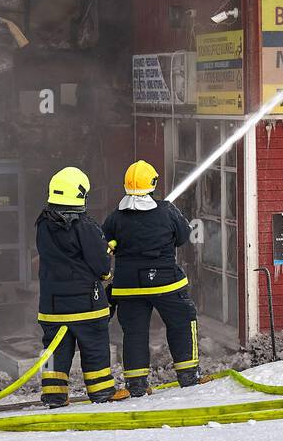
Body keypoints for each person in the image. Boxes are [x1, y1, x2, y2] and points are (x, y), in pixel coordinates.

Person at [102, 160, 199, 396]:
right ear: (153, 183)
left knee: (134, 333)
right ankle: (188, 377)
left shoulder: (115, 217)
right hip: (166, 282)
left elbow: (104, 243)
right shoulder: (167, 210)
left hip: (128, 287)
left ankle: (136, 385)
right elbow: (183, 236)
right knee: (182, 321)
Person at [35, 166, 128, 407]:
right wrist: (106, 266)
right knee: (94, 346)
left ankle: (53, 395)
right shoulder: (85, 225)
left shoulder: (43, 225)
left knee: (54, 351)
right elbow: (98, 261)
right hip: (85, 302)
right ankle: (102, 391)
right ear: (79, 195)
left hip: (52, 305)